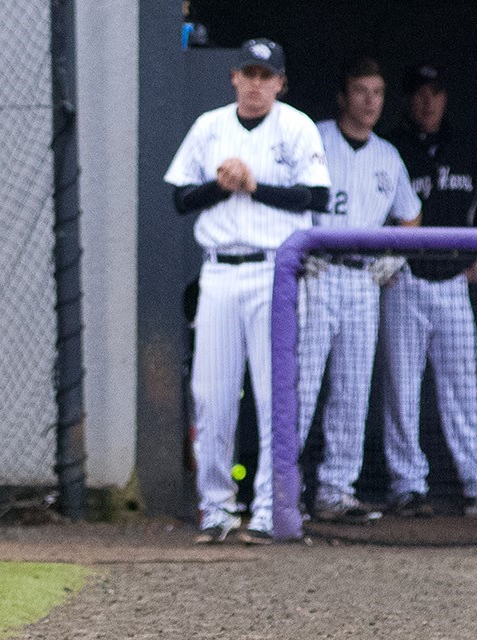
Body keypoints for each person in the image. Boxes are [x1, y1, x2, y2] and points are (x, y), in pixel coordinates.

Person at [163, 38, 329, 544]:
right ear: (234, 76)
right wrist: (222, 184)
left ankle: (267, 509)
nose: (256, 84)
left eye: (266, 75)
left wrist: (253, 185)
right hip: (218, 271)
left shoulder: (296, 126)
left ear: (280, 82)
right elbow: (179, 199)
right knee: (211, 395)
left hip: (273, 274)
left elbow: (315, 196)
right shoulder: (209, 127)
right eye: (248, 73)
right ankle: (215, 508)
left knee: (275, 394)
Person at [378, 63, 477, 519]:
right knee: (402, 391)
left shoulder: (467, 149)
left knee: (463, 389)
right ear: (406, 98)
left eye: (436, 92)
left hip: (454, 284)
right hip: (405, 283)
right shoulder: (390, 149)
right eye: (419, 92)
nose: (428, 101)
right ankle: (407, 485)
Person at [297, 57, 421, 524]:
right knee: (300, 387)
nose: (370, 101)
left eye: (378, 92)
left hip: (362, 281)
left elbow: (410, 216)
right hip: (315, 273)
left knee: (352, 389)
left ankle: (335, 490)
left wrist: (393, 258)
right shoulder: (315, 138)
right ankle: (282, 486)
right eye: (361, 91)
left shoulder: (388, 154)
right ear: (342, 95)